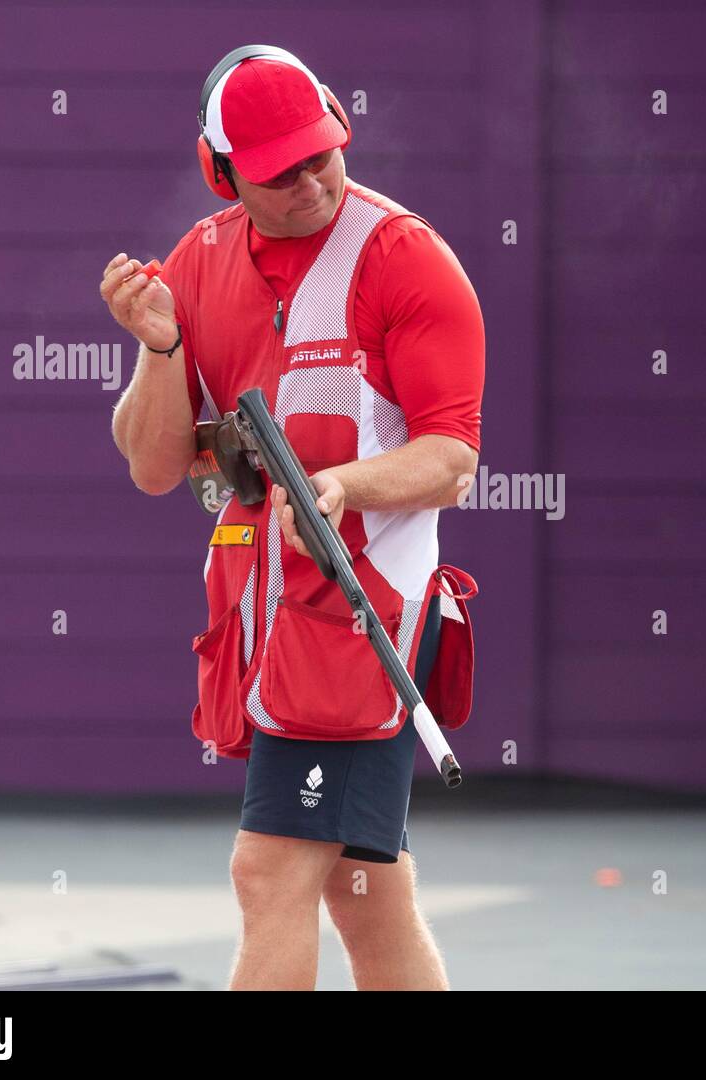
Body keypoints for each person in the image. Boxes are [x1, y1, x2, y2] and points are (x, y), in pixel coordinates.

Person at [99, 45, 484, 990]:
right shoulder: (198, 260)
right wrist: (161, 349)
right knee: (366, 895)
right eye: (282, 171)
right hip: (267, 624)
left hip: (367, 617)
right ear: (221, 173)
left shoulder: (404, 258)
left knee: (267, 873)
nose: (313, 180)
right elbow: (155, 467)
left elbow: (454, 461)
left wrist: (347, 485)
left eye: (324, 154)